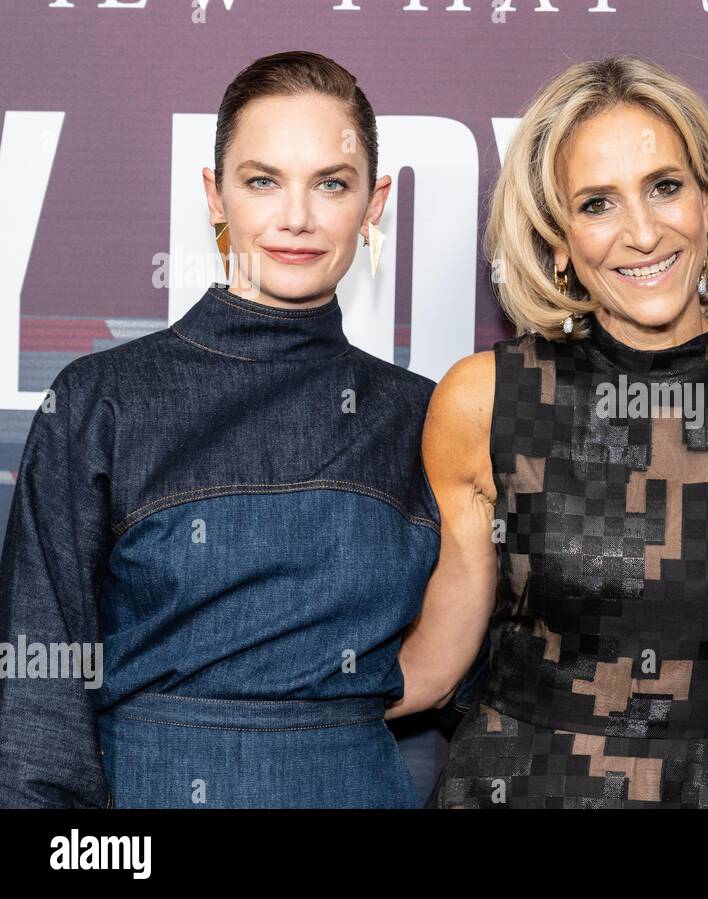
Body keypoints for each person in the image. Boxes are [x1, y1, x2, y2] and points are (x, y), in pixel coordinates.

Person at [0, 50, 477, 808]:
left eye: (332, 183)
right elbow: (39, 690)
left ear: (375, 202)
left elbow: (503, 674)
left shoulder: (425, 414)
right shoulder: (102, 400)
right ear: (214, 196)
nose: (297, 217)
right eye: (262, 181)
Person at [387, 55, 708, 808]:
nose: (642, 233)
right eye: (598, 204)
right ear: (557, 237)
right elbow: (439, 662)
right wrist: (245, 703)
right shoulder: (484, 400)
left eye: (665, 188)